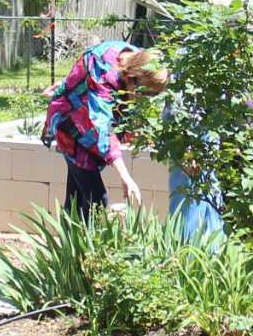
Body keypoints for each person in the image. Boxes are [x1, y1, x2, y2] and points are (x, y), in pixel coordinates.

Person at [41, 40, 169, 216]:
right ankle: (83, 241)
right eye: (146, 92)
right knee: (96, 200)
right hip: (72, 127)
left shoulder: (138, 59)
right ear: (133, 78)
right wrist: (126, 178)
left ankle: (71, 240)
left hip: (87, 123)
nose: (148, 98)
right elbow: (103, 130)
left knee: (77, 196)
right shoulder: (105, 73)